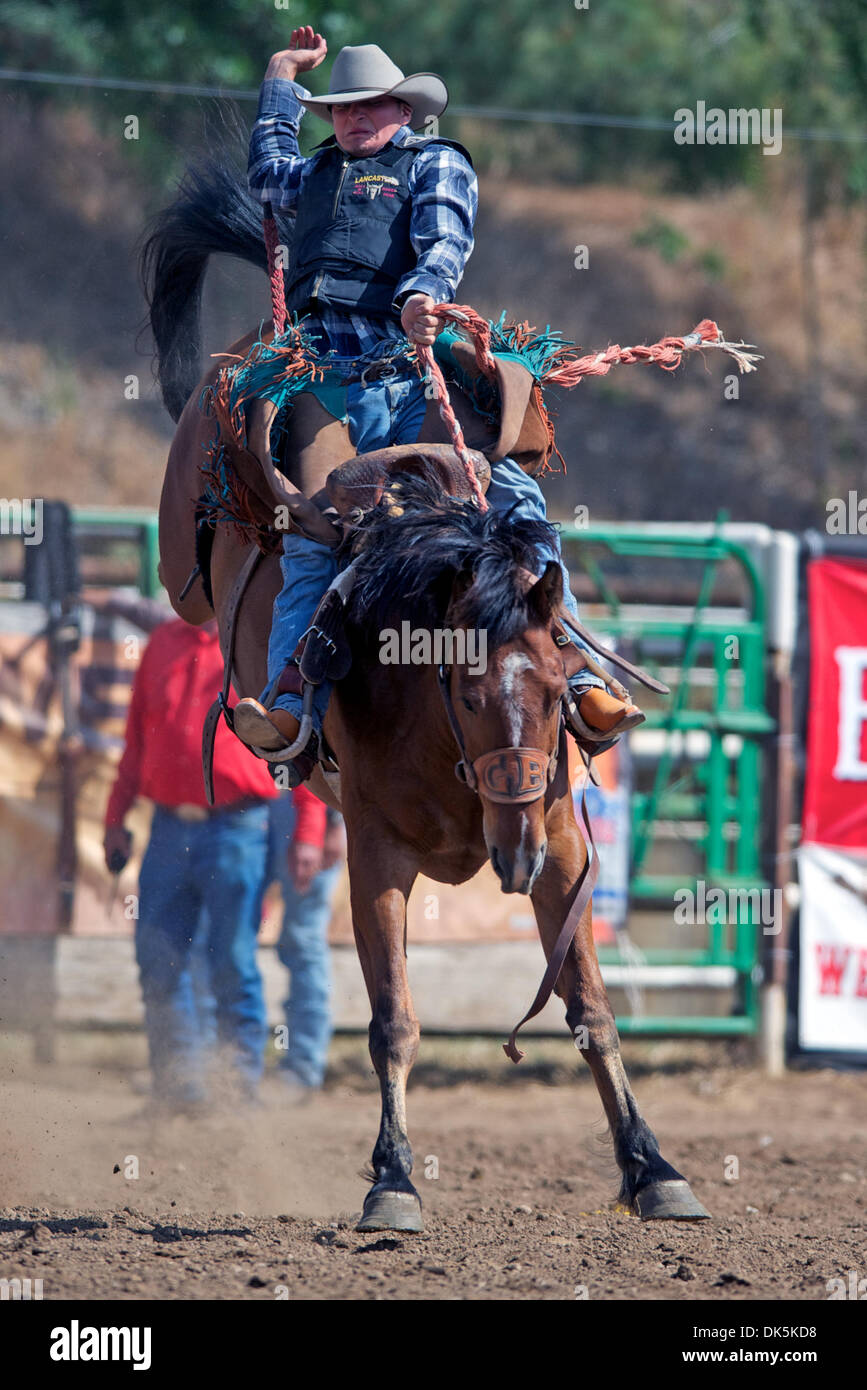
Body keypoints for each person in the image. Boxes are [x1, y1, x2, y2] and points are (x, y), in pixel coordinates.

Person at [232, 28, 643, 776]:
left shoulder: (434, 163)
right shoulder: (315, 173)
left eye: (369, 107)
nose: (353, 120)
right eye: (341, 110)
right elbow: (266, 174)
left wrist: (425, 293)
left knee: (513, 504)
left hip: (408, 377)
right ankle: (291, 702)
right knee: (310, 535)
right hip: (325, 388)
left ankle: (581, 675)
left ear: (402, 107)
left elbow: (443, 242)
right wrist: (279, 79)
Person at [103, 615, 278, 1111]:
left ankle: (238, 1092)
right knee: (159, 958)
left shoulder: (249, 638)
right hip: (168, 829)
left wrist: (309, 829)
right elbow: (136, 737)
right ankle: (178, 1088)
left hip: (236, 824)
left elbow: (292, 735)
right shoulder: (162, 642)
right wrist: (115, 819)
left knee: (233, 961)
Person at [267, 795, 344, 1091]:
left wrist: (333, 821)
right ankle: (227, 1064)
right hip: (251, 803)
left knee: (303, 938)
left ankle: (303, 1067)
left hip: (305, 804)